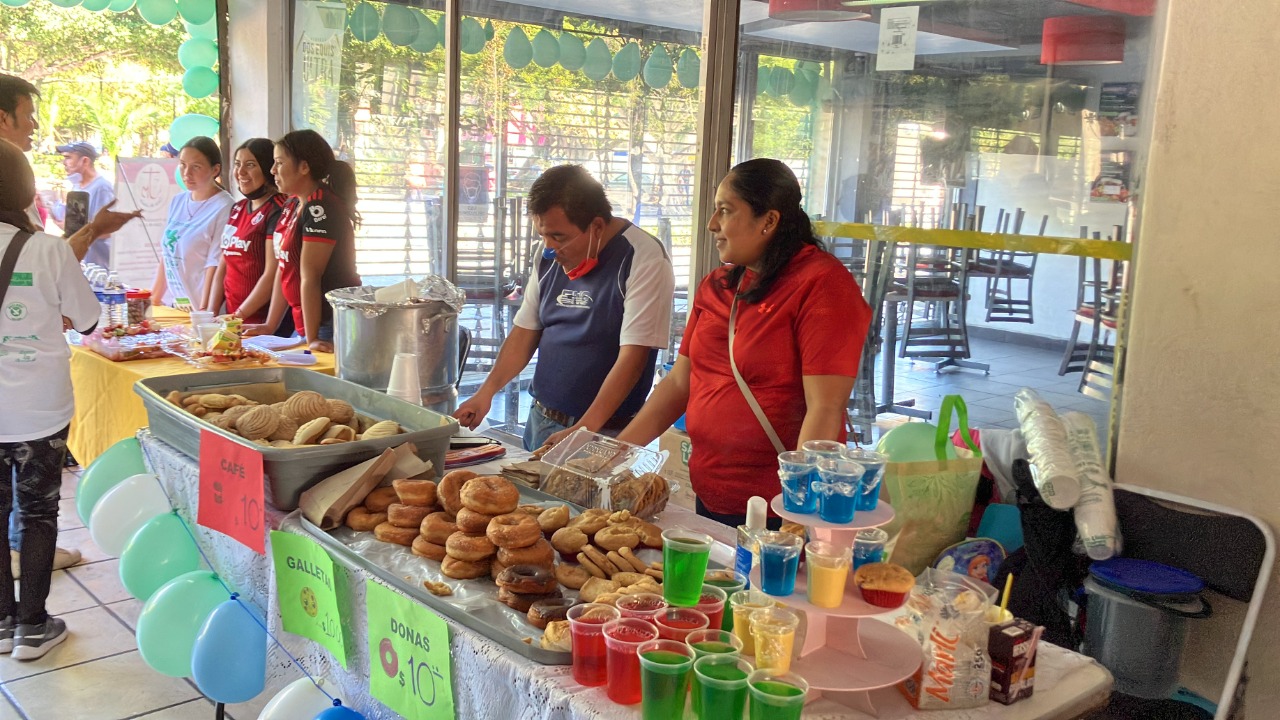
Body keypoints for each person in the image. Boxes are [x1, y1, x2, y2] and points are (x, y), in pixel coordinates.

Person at [615, 158, 871, 527]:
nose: (712, 225)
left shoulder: (822, 284)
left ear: (768, 220)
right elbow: (678, 383)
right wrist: (613, 454)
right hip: (712, 494)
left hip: (777, 508)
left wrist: (796, 520)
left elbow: (825, 409)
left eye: (726, 211)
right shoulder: (718, 286)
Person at [0, 139, 141, 659]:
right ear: (24, 190)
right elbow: (88, 319)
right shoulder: (47, 250)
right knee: (37, 511)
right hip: (39, 407)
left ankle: (0, 619)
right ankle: (32, 627)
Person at [453, 164, 676, 451]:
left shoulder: (643, 258)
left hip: (605, 432)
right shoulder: (547, 255)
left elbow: (633, 360)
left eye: (558, 237)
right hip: (542, 419)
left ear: (596, 226)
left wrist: (585, 428)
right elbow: (525, 331)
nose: (549, 248)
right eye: (543, 236)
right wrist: (485, 393)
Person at [252, 129, 360, 352]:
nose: (272, 171)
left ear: (304, 167)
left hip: (327, 324)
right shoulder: (292, 203)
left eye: (280, 163)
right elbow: (284, 268)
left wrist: (311, 339)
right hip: (306, 323)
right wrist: (270, 325)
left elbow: (311, 276)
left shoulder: (321, 207)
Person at [207, 138, 287, 326]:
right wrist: (210, 314)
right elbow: (223, 266)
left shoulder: (278, 209)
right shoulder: (238, 208)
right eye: (237, 164)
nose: (240, 172)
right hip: (233, 321)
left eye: (250, 165)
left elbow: (272, 273)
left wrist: (238, 317)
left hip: (263, 325)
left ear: (268, 168)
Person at [151, 136, 234, 311]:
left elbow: (215, 264)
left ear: (215, 169)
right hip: (178, 308)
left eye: (196, 167)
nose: (187, 173)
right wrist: (154, 300)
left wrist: (204, 311)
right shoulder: (178, 201)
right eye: (182, 164)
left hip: (205, 311)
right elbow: (167, 255)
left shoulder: (225, 206)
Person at [50, 141, 115, 269]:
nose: (64, 163)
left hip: (98, 269)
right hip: (80, 265)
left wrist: (73, 230)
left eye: (68, 158)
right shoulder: (77, 186)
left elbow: (108, 231)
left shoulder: (102, 188)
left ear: (85, 161)